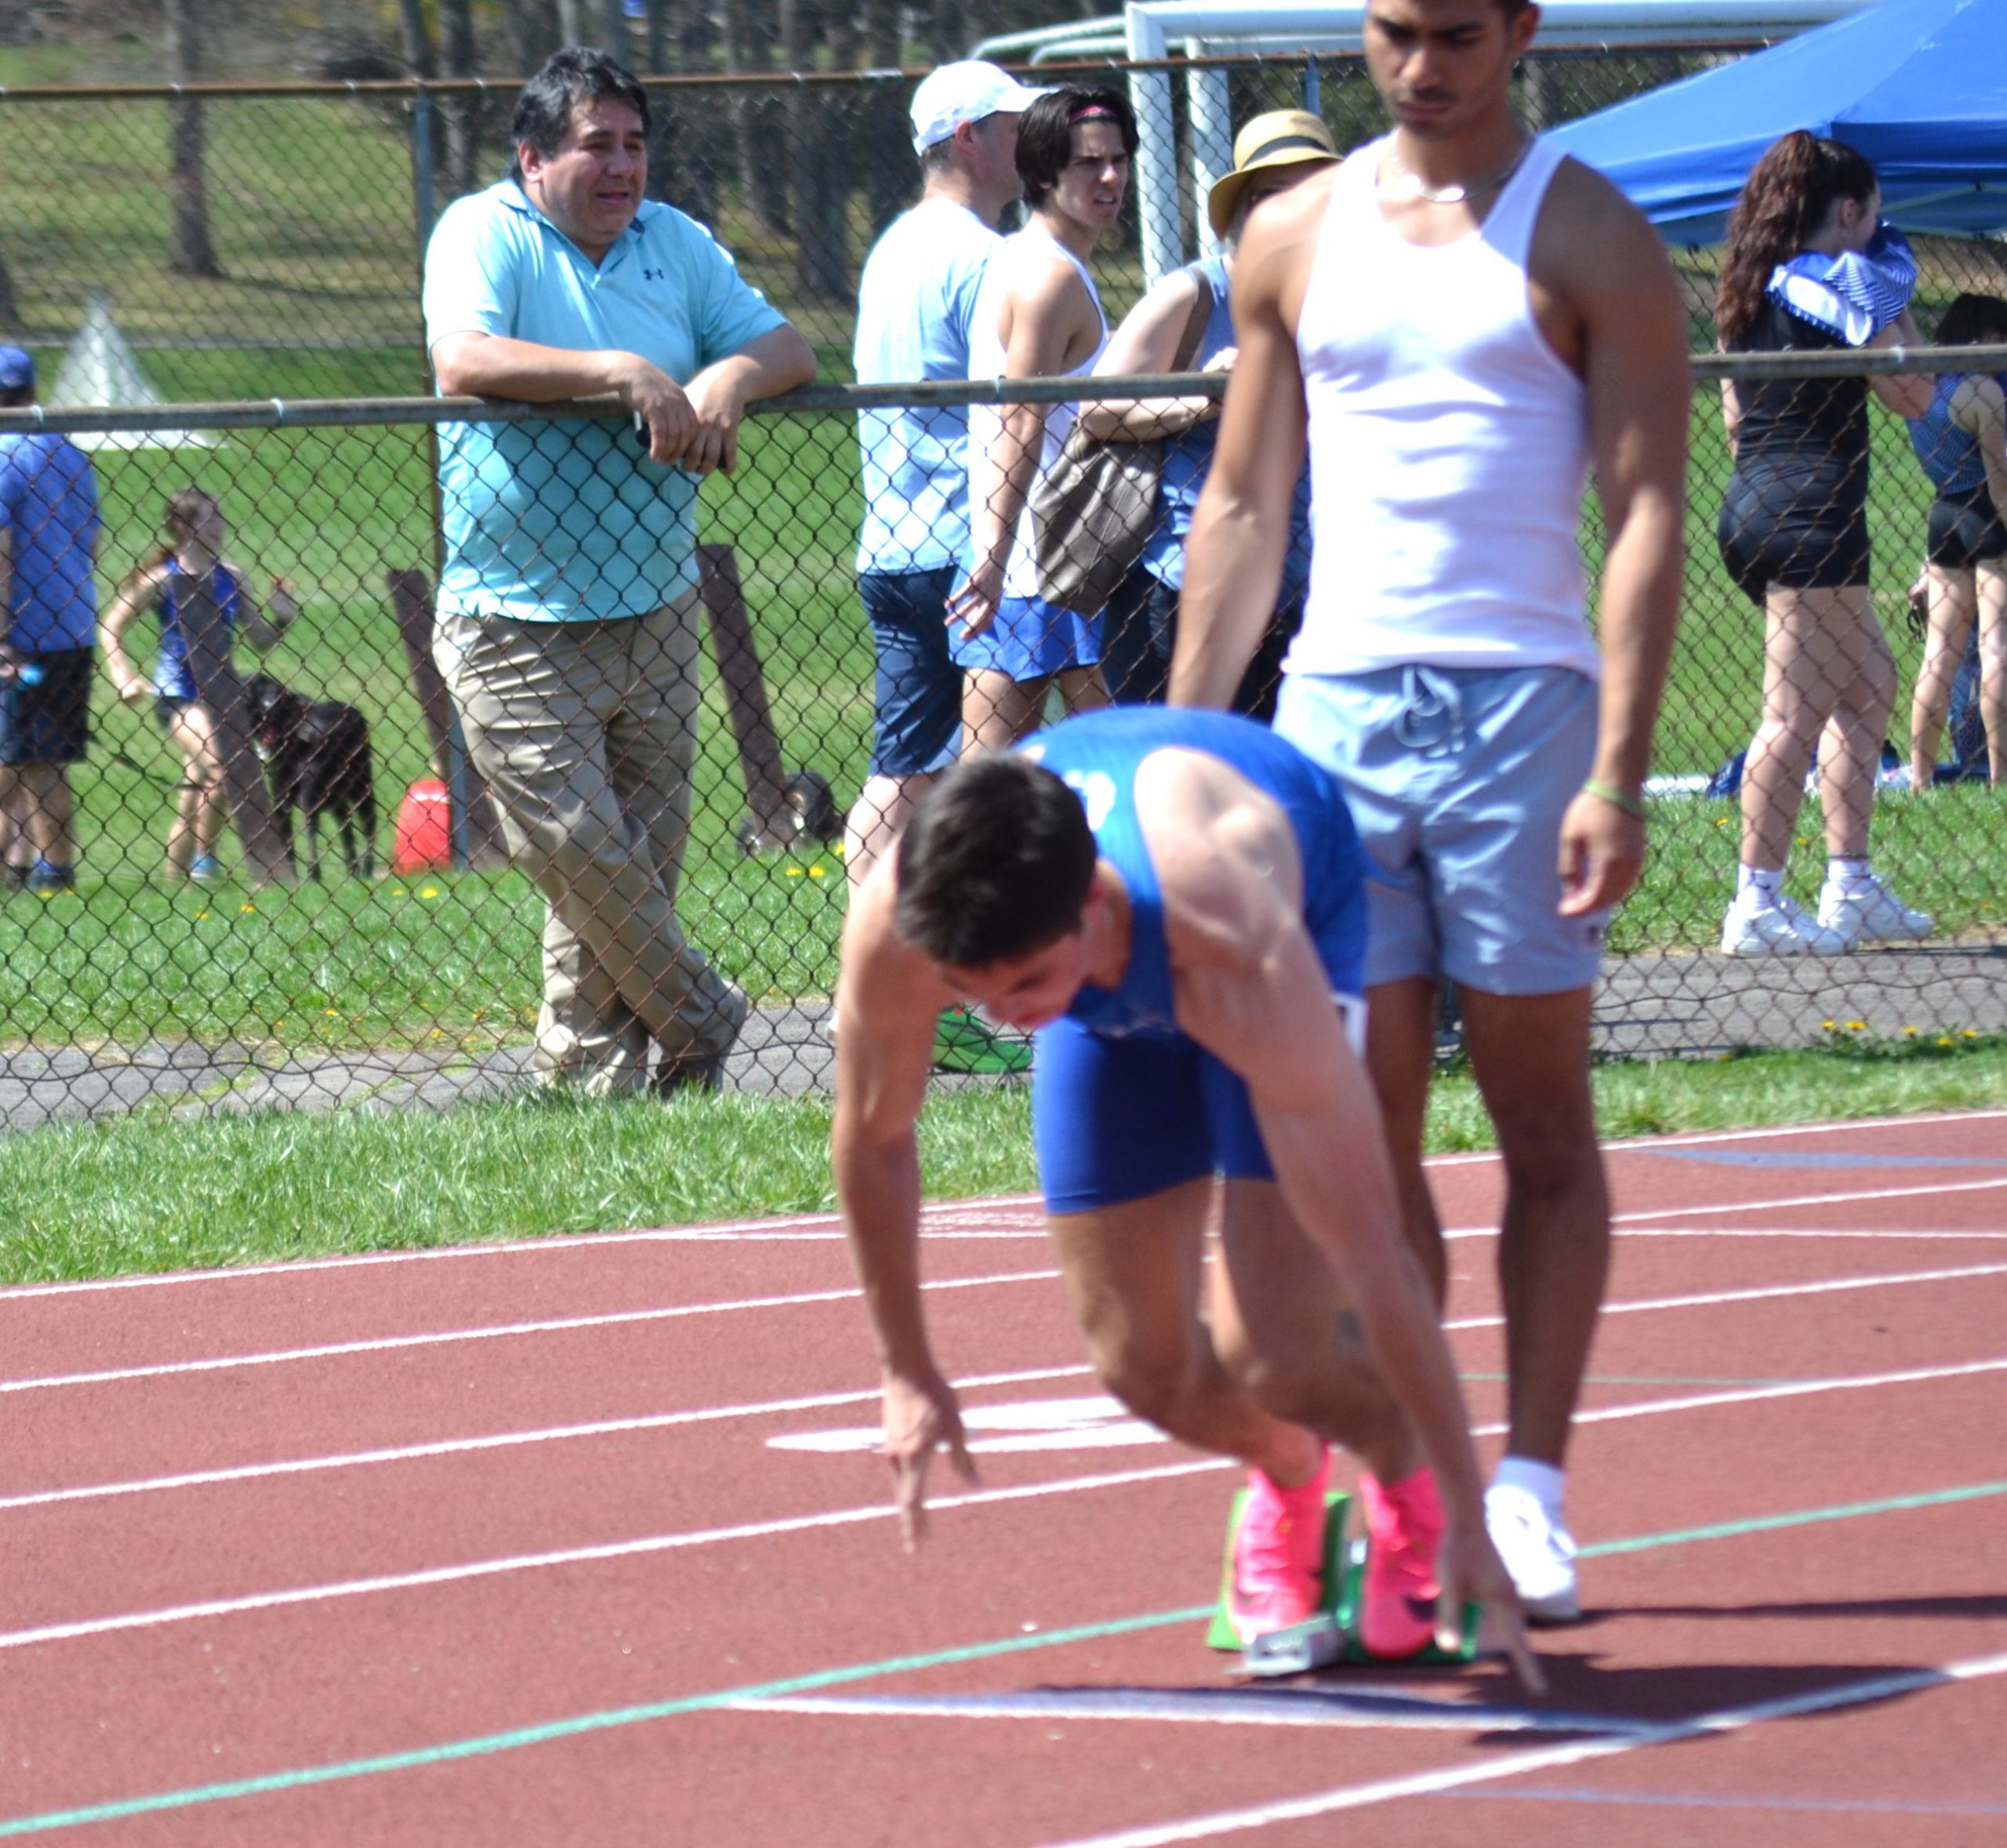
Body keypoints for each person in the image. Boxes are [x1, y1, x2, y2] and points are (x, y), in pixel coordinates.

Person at [1170, 0, 1690, 1624]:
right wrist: (1185, 742)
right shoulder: (1291, 236)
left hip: (1521, 714)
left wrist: (1614, 760)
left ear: (1519, 29)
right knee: (1355, 1140)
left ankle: (1529, 1482)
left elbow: (1645, 503)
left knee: (1539, 1120)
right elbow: (1247, 501)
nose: (1423, 63)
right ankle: (1415, 1477)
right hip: (1335, 722)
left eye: (1457, 31)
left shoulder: (1589, 230)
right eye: (1395, 30)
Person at [833, 706, 1538, 1684]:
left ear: (1089, 907)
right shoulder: (904, 922)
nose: (999, 1018)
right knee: (1140, 1367)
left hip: (1271, 910)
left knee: (1277, 1352)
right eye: (969, 989)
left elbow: (1370, 1242)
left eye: (1023, 985)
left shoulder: (1233, 939)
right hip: (1106, 962)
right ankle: (1289, 1474)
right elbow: (873, 1140)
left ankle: (1402, 1477)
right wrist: (905, 1366)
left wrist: (1464, 1505)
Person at [423, 47, 816, 1097]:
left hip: (654, 605)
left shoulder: (673, 243)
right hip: (512, 616)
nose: (622, 166)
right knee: (582, 851)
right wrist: (625, 373)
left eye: (635, 144)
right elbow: (463, 361)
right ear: (534, 157)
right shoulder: (484, 231)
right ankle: (702, 1012)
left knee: (634, 863)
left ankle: (587, 1074)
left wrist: (729, 374)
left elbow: (792, 349)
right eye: (597, 144)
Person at [848, 60, 1045, 1076]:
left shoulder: (892, 250)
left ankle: (884, 984)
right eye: (1015, 124)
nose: (1032, 140)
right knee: (990, 780)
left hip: (892, 545)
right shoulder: (984, 255)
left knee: (902, 771)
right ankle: (983, 995)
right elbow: (1017, 401)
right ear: (968, 136)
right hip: (971, 550)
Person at [1714, 131, 1934, 955]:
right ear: (1847, 212)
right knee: (1794, 712)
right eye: (1872, 221)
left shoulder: (1750, 295)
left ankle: (1850, 883)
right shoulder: (1843, 293)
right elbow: (1911, 394)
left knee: (1867, 685)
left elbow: (1736, 420)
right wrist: (1893, 302)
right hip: (1813, 518)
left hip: (1756, 508)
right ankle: (1757, 902)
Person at [1083, 111, 1332, 714]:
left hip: (1312, 589)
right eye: (1277, 195)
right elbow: (1095, 409)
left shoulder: (1348, 297)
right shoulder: (1196, 293)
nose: (1296, 212)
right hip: (1187, 585)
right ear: (1246, 208)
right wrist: (1204, 398)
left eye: (1314, 193)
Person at [947, 86, 1136, 754]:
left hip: (1051, 560)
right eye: (1089, 163)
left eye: (1119, 159)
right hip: (1039, 567)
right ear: (1044, 174)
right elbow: (1021, 418)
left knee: (995, 785)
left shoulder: (1024, 259)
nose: (1110, 176)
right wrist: (995, 557)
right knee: (1111, 765)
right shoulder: (1049, 277)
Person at [100, 488, 296, 884]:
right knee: (223, 764)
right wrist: (124, 678)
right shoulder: (162, 580)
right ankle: (205, 864)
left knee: (194, 794)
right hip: (178, 695)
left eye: (219, 516)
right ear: (181, 526)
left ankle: (175, 886)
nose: (220, 526)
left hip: (221, 695)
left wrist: (283, 615)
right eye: (210, 518)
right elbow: (110, 627)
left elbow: (259, 638)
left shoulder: (231, 577)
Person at [0, 345, 100, 898]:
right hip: (73, 624)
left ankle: (40, 872)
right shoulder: (69, 452)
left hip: (19, 634)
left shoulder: (0, 455)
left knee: (16, 756)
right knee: (49, 758)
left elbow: (1, 552)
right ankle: (54, 873)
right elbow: (92, 539)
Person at [1905, 291, 2007, 792]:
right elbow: (1998, 477)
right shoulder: (1985, 393)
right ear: (1988, 339)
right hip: (1989, 518)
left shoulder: (1922, 391)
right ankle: (1999, 776)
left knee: (1939, 653)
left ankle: (1920, 778)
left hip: (1943, 515)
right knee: (1996, 648)